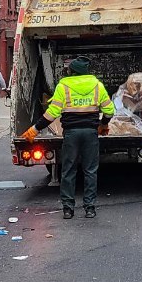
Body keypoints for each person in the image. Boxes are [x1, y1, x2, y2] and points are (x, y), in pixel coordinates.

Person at [19, 56, 114, 219]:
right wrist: (103, 125)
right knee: (90, 170)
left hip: (71, 133)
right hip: (90, 132)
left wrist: (35, 129)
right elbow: (109, 110)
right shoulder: (97, 86)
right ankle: (90, 207)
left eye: (69, 69)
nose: (67, 70)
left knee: (68, 170)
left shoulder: (63, 86)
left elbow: (52, 113)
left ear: (73, 71)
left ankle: (68, 209)